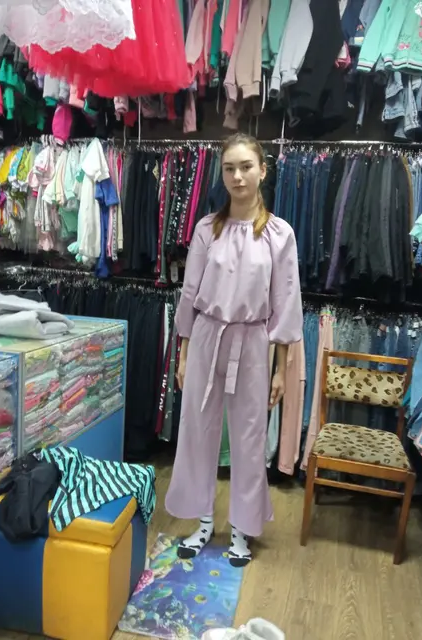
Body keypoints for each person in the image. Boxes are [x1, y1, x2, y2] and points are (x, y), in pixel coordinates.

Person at [165, 133, 303, 567]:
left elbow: (286, 303)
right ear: (221, 174)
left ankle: (242, 528)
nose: (237, 176)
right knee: (197, 431)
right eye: (229, 168)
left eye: (245, 167)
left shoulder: (280, 234)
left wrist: (281, 370)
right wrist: (183, 355)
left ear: (263, 170)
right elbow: (190, 295)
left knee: (248, 437)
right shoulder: (208, 228)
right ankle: (204, 520)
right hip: (208, 336)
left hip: (253, 341)